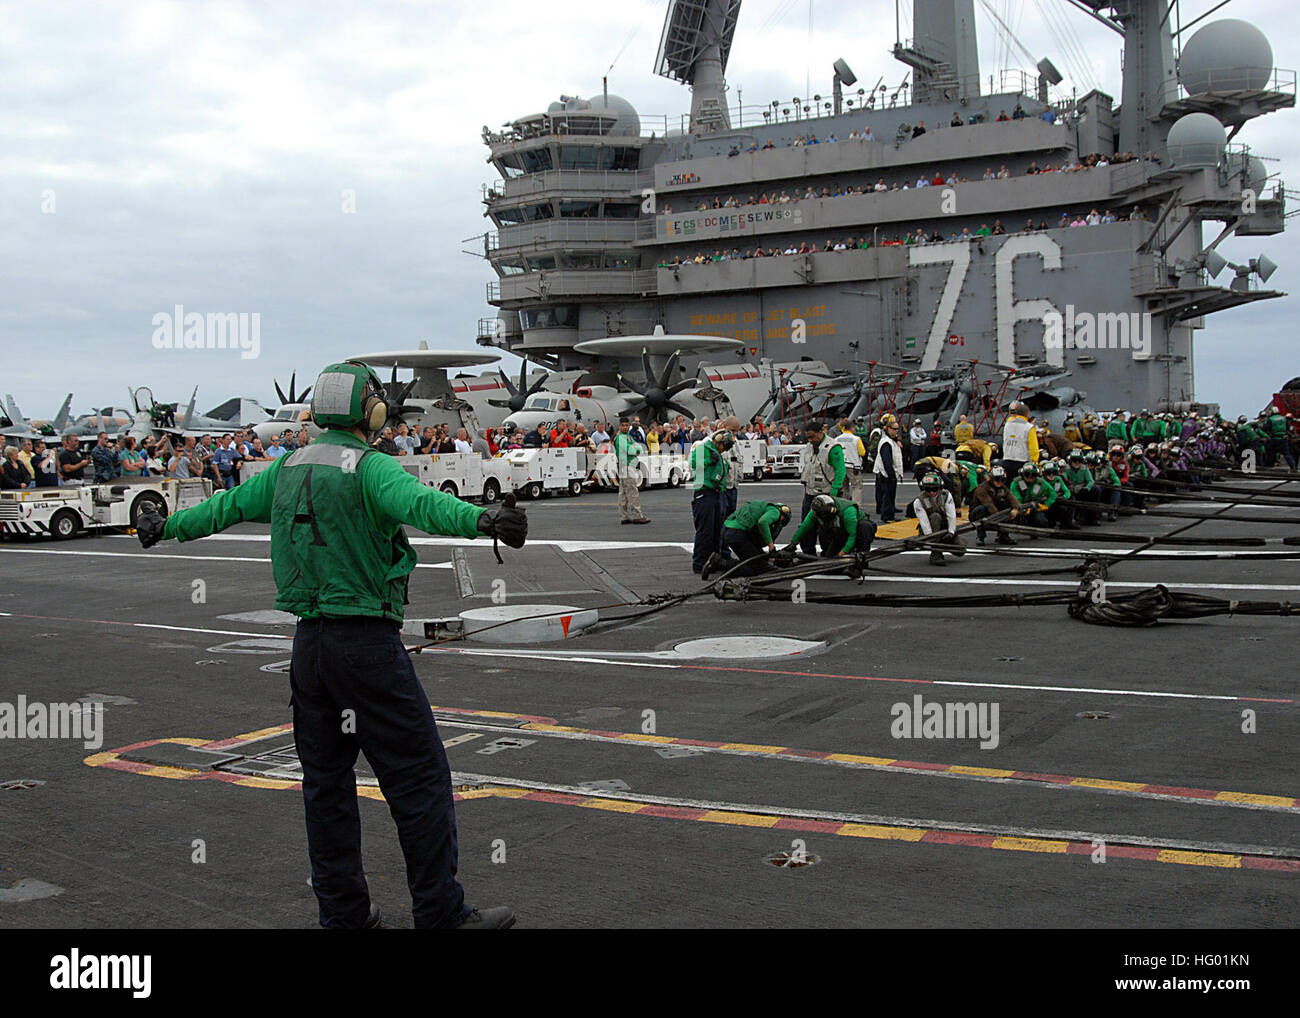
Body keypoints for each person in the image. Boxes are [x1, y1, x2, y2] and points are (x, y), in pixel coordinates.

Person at [134, 361, 525, 930]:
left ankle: (343, 918)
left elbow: (222, 508)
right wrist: (484, 518)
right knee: (418, 780)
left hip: (309, 651)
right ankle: (441, 914)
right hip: (366, 648)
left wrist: (164, 526)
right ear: (373, 410)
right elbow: (426, 506)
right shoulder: (371, 468)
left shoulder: (287, 466)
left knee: (327, 789)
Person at [797, 421, 846, 554]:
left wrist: (834, 491)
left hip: (827, 494)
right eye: (808, 438)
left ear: (821, 432)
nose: (811, 440)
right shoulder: (809, 446)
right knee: (806, 526)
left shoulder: (833, 447)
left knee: (827, 528)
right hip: (810, 493)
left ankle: (828, 553)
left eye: (812, 437)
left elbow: (840, 471)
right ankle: (808, 553)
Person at [708, 501, 792, 578]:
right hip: (737, 534)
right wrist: (771, 547)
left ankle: (723, 564)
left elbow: (756, 541)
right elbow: (763, 522)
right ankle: (721, 564)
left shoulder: (761, 508)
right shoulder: (775, 511)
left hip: (728, 529)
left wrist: (768, 557)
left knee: (756, 559)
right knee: (758, 568)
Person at [783, 493, 876, 559]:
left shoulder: (848, 511)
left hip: (857, 533)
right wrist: (793, 543)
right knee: (829, 564)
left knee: (864, 527)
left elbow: (853, 535)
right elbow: (804, 528)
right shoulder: (816, 511)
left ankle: (862, 557)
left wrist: (842, 553)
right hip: (840, 535)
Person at [689, 429, 730, 573]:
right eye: (724, 445)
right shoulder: (703, 448)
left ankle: (714, 560)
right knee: (705, 530)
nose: (725, 449)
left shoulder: (718, 454)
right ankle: (700, 563)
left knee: (716, 530)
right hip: (704, 494)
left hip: (717, 494)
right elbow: (693, 462)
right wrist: (709, 460)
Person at [912, 472, 962, 565]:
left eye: (934, 489)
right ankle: (936, 554)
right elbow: (924, 522)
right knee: (935, 516)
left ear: (939, 487)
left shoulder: (946, 495)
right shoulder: (919, 501)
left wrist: (951, 532)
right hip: (929, 531)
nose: (932, 492)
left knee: (960, 551)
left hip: (944, 528)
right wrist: (931, 540)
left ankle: (945, 543)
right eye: (928, 489)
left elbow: (951, 515)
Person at [969, 465, 1020, 545]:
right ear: (991, 479)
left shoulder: (1003, 488)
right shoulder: (982, 488)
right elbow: (988, 504)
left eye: (1002, 479)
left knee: (1008, 508)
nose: (999, 482)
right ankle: (980, 537)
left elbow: (1012, 497)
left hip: (995, 511)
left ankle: (1003, 536)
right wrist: (998, 516)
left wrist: (1015, 508)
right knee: (981, 509)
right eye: (997, 479)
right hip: (979, 513)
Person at [613, 419, 649, 525]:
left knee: (623, 492)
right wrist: (635, 449)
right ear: (619, 426)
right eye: (623, 425)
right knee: (632, 491)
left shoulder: (628, 436)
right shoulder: (620, 438)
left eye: (626, 425)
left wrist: (636, 449)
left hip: (626, 465)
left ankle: (624, 516)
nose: (625, 427)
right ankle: (637, 515)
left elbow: (639, 448)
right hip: (626, 465)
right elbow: (632, 450)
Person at [873, 415, 903, 523]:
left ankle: (890, 513)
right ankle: (887, 516)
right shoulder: (886, 442)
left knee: (890, 495)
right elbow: (887, 461)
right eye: (894, 429)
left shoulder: (891, 440)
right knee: (887, 495)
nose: (896, 431)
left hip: (889, 473)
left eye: (897, 429)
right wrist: (891, 475)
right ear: (888, 428)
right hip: (886, 474)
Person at [831, 418, 865, 503]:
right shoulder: (856, 439)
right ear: (852, 428)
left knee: (844, 488)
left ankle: (844, 507)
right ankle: (856, 507)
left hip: (841, 466)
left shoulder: (837, 439)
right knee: (856, 487)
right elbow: (862, 452)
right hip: (853, 467)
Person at [1001, 401, 1037, 477]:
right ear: (1027, 414)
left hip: (1007, 460)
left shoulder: (1007, 424)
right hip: (1022, 462)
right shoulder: (1029, 427)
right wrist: (1035, 463)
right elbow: (1033, 448)